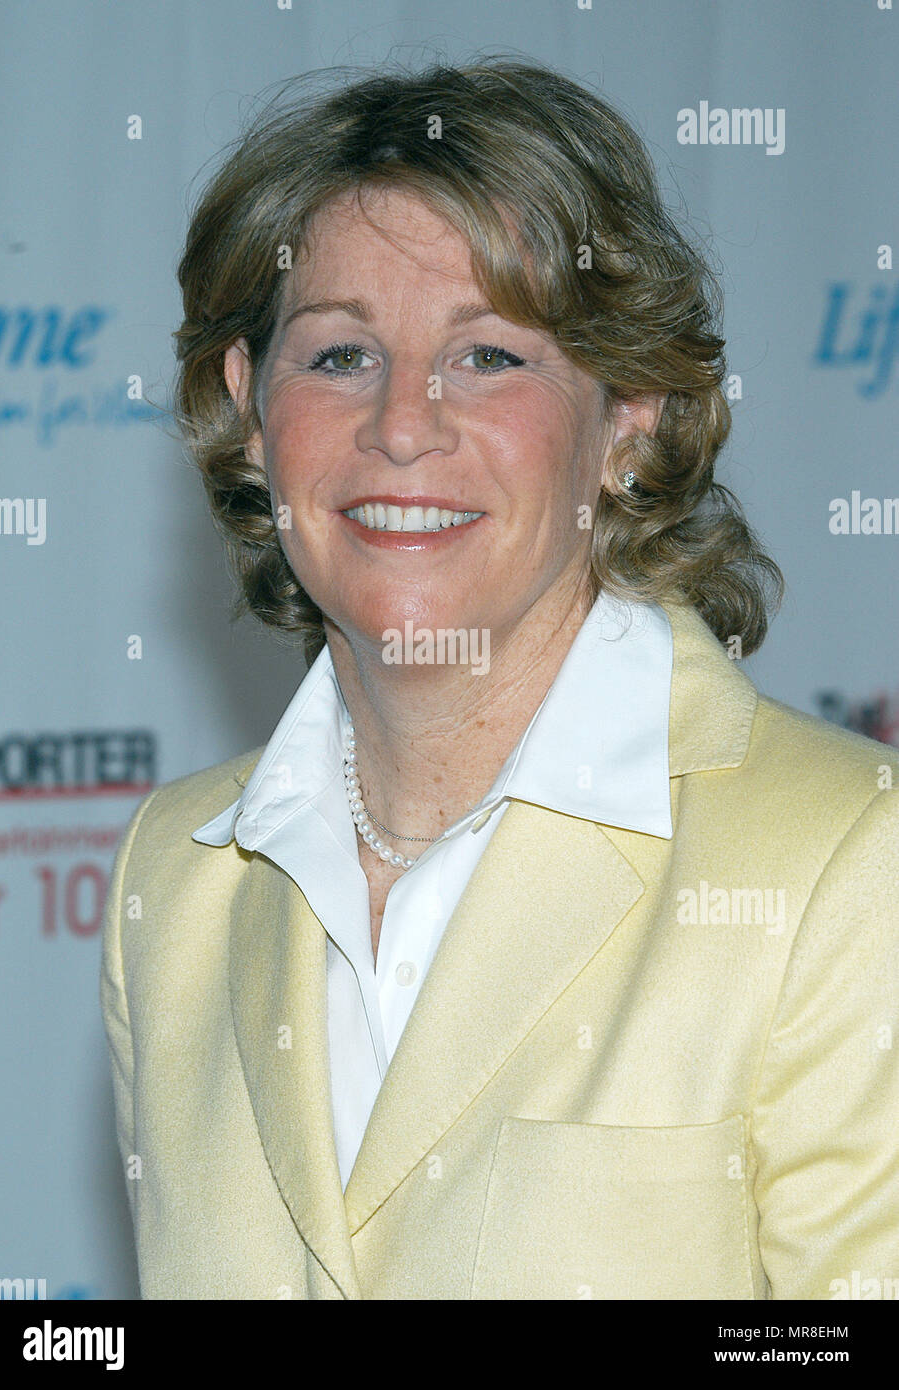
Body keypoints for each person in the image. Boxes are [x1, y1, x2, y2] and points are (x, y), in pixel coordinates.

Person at [100, 57, 899, 1300]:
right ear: (250, 416)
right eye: (337, 355)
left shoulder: (845, 864)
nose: (403, 422)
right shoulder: (177, 882)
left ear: (628, 411)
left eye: (486, 357)